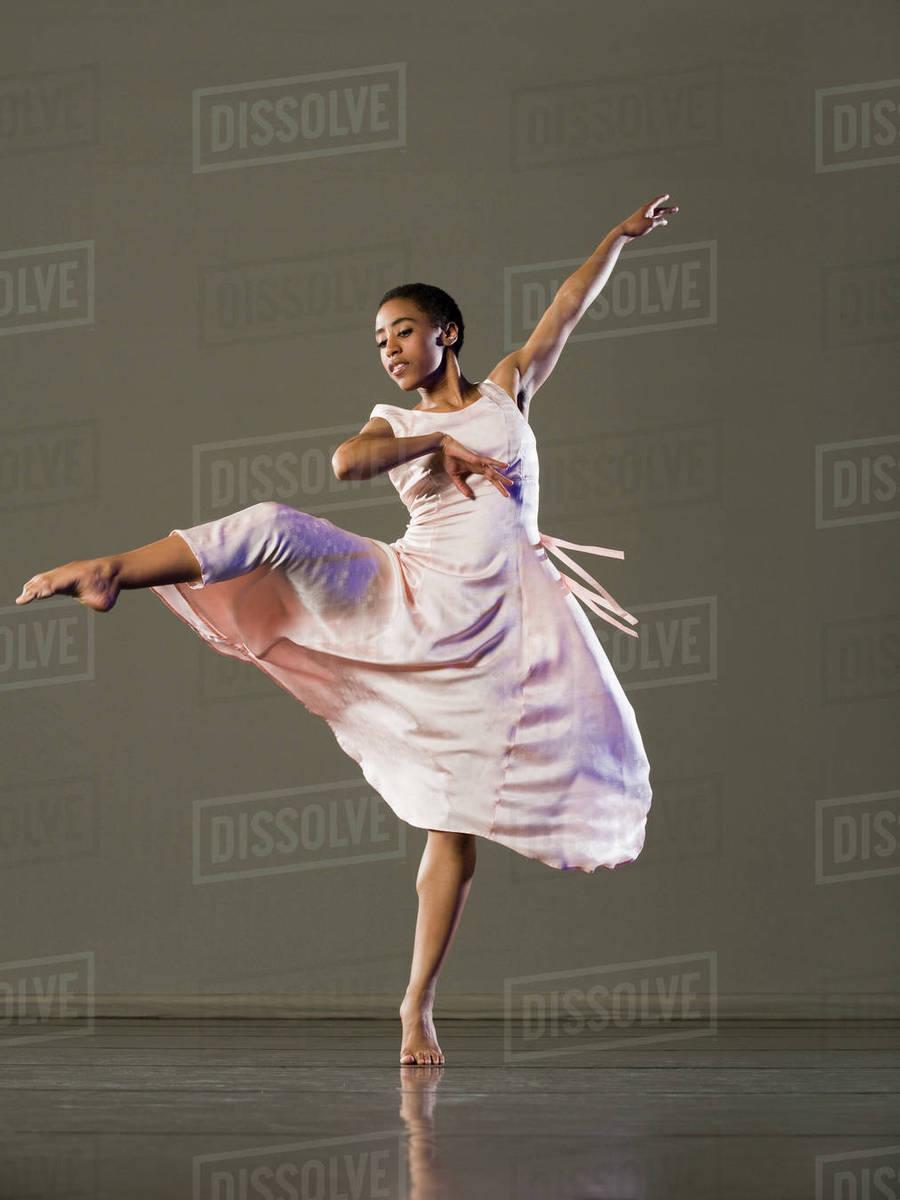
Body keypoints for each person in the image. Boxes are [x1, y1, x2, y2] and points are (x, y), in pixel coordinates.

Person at [16, 193, 678, 1065]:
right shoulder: (395, 422)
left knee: (454, 825)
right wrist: (434, 449)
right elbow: (346, 461)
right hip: (415, 591)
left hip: (501, 629)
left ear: (447, 331)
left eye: (403, 331)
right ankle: (113, 570)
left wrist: (616, 240)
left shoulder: (509, 391)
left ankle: (416, 1010)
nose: (390, 348)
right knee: (274, 523)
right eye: (379, 340)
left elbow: (566, 307)